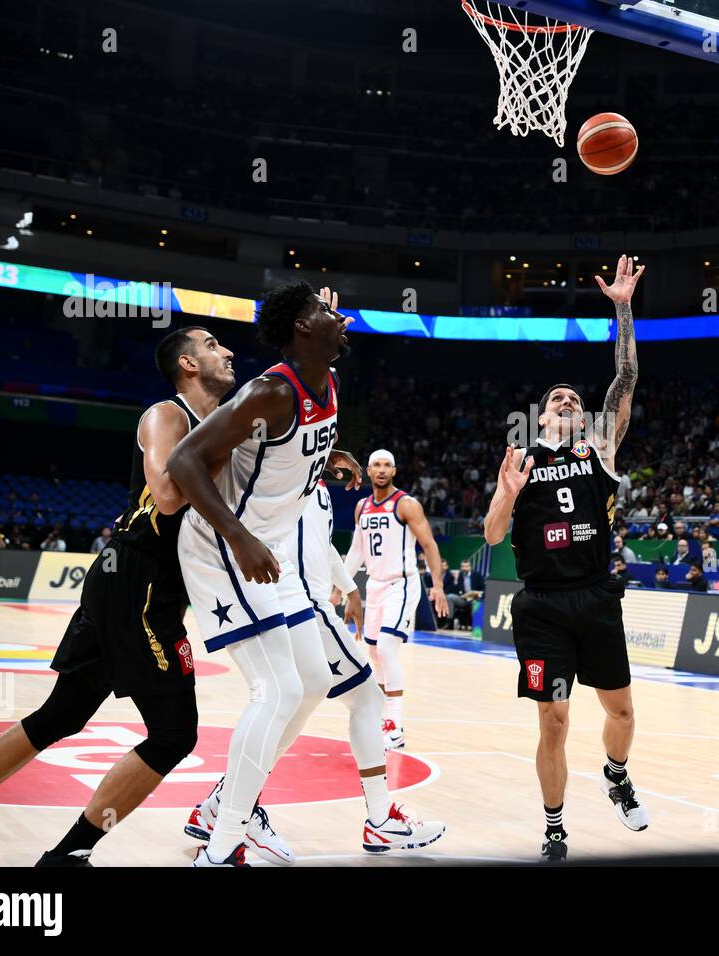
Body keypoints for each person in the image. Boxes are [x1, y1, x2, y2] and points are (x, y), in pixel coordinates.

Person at [0, 326, 235, 867]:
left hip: (141, 583)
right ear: (188, 363)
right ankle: (68, 855)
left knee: (60, 715)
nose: (226, 350)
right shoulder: (167, 415)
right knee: (174, 734)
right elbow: (169, 496)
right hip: (140, 581)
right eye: (211, 344)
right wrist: (233, 438)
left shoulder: (213, 426)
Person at [165, 283, 388, 866]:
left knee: (313, 682)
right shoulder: (267, 391)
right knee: (279, 688)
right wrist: (239, 538)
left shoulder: (329, 384)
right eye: (325, 312)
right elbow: (183, 460)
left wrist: (328, 461)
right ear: (302, 329)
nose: (340, 317)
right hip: (225, 546)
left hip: (271, 550)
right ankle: (224, 843)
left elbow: (288, 456)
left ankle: (223, 806)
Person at [482, 253, 648, 863]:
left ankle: (616, 774)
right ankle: (554, 825)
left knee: (622, 711)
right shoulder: (520, 462)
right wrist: (504, 495)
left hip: (597, 598)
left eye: (575, 396)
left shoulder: (600, 447)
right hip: (542, 608)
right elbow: (494, 536)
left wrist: (623, 307)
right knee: (553, 720)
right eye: (557, 397)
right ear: (542, 414)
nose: (568, 400)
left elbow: (625, 381)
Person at [342, 449, 450, 751]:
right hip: (374, 587)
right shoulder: (362, 506)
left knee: (388, 649)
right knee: (374, 653)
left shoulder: (406, 504)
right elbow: (356, 550)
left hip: (402, 585)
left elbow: (428, 544)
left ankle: (395, 726)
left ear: (394, 471)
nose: (381, 470)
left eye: (386, 465)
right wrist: (341, 586)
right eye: (375, 465)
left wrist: (437, 585)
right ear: (368, 469)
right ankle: (381, 719)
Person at [445, 558, 485, 630]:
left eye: (466, 566)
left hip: (475, 598)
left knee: (475, 602)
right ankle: (450, 622)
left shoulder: (477, 575)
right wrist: (456, 581)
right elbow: (457, 589)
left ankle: (475, 626)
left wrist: (478, 594)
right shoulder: (460, 575)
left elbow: (483, 588)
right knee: (450, 597)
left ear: (470, 567)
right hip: (464, 599)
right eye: (463, 566)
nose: (465, 568)